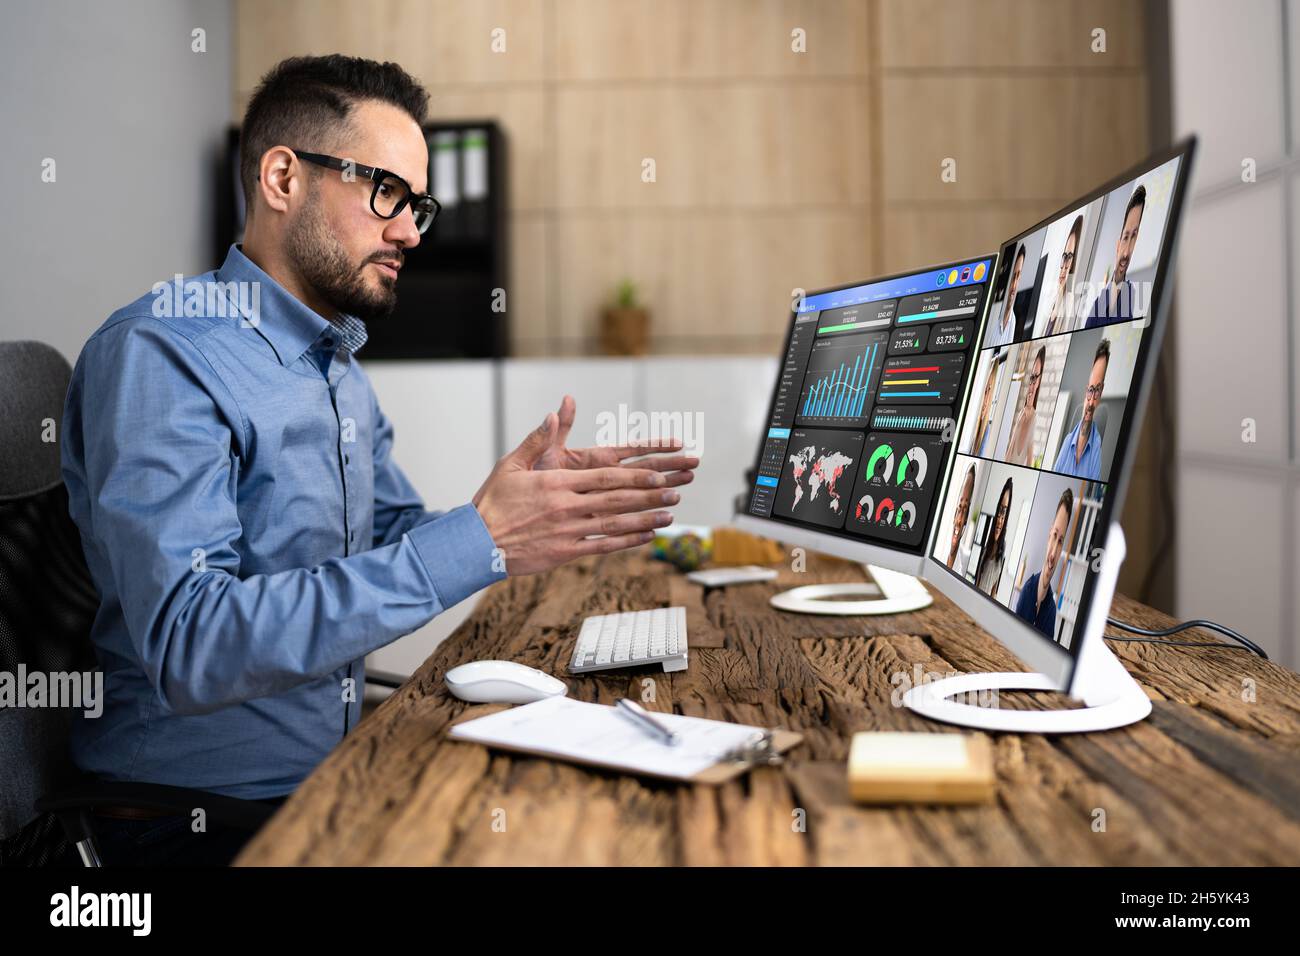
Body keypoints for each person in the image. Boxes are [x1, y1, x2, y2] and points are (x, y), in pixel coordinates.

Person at [60, 55, 699, 865]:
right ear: (283, 178)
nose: (409, 230)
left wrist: (529, 517)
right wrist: (478, 538)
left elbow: (392, 534)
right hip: (193, 819)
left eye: (418, 204)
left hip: (335, 767)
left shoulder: (338, 367)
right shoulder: (159, 354)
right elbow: (194, 644)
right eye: (385, 193)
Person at [1084, 185, 1146, 329]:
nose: (1126, 253)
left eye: (1134, 237)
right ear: (1117, 246)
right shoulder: (1097, 306)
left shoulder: (1134, 300)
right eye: (1125, 237)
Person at [1015, 488, 1074, 638]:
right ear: (1049, 536)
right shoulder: (1027, 591)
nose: (1053, 553)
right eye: (1054, 536)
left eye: (1060, 541)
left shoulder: (1051, 611)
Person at [1051, 338, 1109, 480]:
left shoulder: (1096, 447)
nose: (1091, 401)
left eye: (1097, 391)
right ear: (1085, 390)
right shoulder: (1067, 442)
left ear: (1101, 393)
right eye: (1090, 389)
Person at [1043, 215, 1083, 336]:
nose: (1064, 266)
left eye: (1070, 257)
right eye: (1064, 256)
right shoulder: (1052, 297)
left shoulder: (1070, 303)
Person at [1005, 346, 1045, 466]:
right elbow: (1010, 449)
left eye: (1036, 377)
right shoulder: (1021, 412)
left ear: (1040, 380)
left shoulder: (1033, 417)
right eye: (1031, 377)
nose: (1032, 383)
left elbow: (1029, 460)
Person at [975, 477, 1013, 598]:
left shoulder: (1003, 551)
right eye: (999, 511)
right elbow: (977, 580)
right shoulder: (986, 545)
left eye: (1004, 513)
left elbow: (994, 592)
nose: (1000, 520)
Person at [985, 244, 1025, 348]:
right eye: (1013, 277)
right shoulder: (994, 321)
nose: (1014, 285)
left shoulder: (1013, 325)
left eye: (1018, 277)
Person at [945, 464, 977, 576]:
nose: (959, 520)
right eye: (959, 507)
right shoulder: (936, 549)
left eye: (965, 509)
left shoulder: (963, 567)